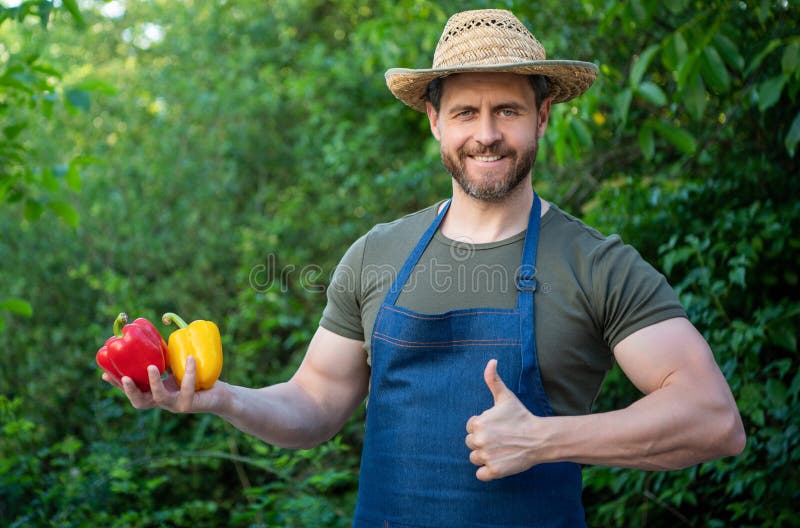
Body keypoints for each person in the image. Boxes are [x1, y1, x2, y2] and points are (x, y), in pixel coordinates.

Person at [102, 9, 746, 527]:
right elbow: (314, 404)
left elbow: (712, 419)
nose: (486, 133)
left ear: (543, 117)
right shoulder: (378, 253)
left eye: (509, 110)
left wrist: (545, 439)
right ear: (435, 120)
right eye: (466, 111)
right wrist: (223, 399)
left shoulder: (596, 265)